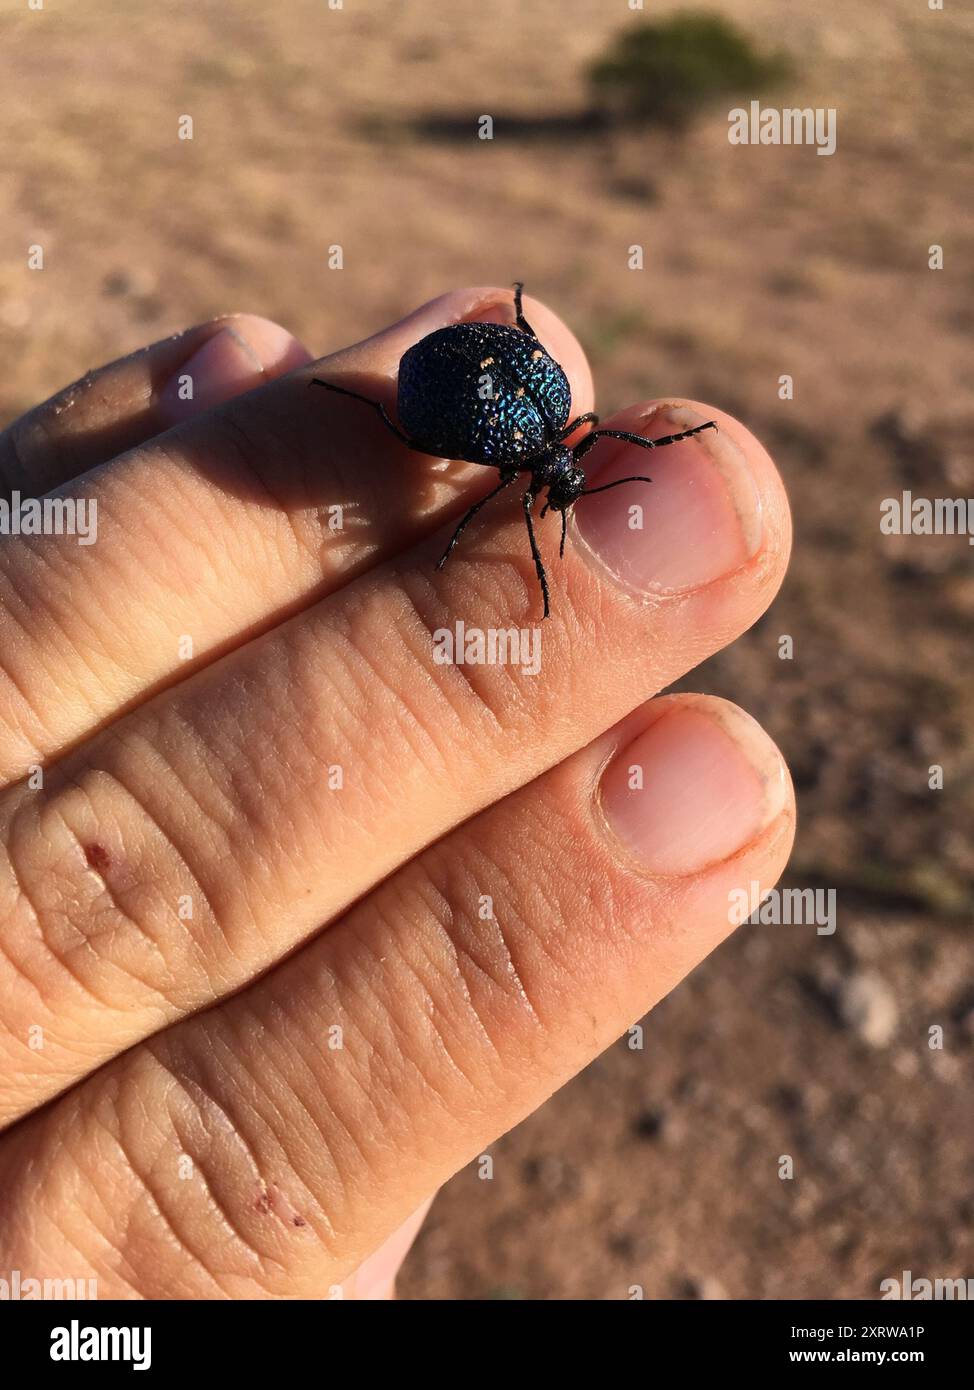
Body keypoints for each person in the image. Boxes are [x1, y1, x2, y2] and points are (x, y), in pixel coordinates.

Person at [0, 286, 793, 1298]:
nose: (556, 493)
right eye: (559, 487)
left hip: (464, 380)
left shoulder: (539, 438)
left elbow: (478, 386)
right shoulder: (537, 443)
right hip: (456, 386)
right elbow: (459, 405)